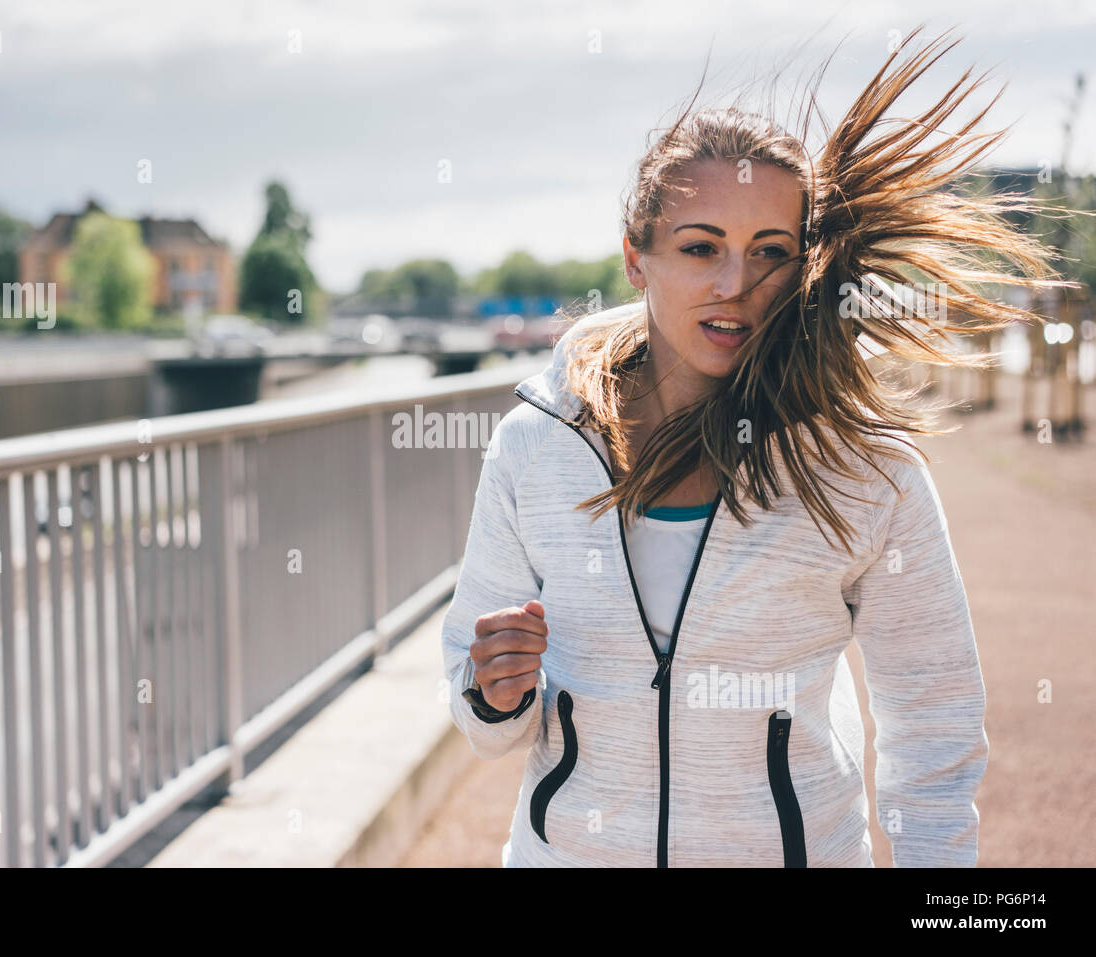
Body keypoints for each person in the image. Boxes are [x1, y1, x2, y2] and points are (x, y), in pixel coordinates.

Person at [441, 26, 1084, 867]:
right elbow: (483, 719)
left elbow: (934, 726)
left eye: (770, 253)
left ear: (804, 266)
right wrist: (493, 691)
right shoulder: (539, 445)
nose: (734, 285)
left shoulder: (863, 470)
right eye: (700, 247)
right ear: (636, 259)